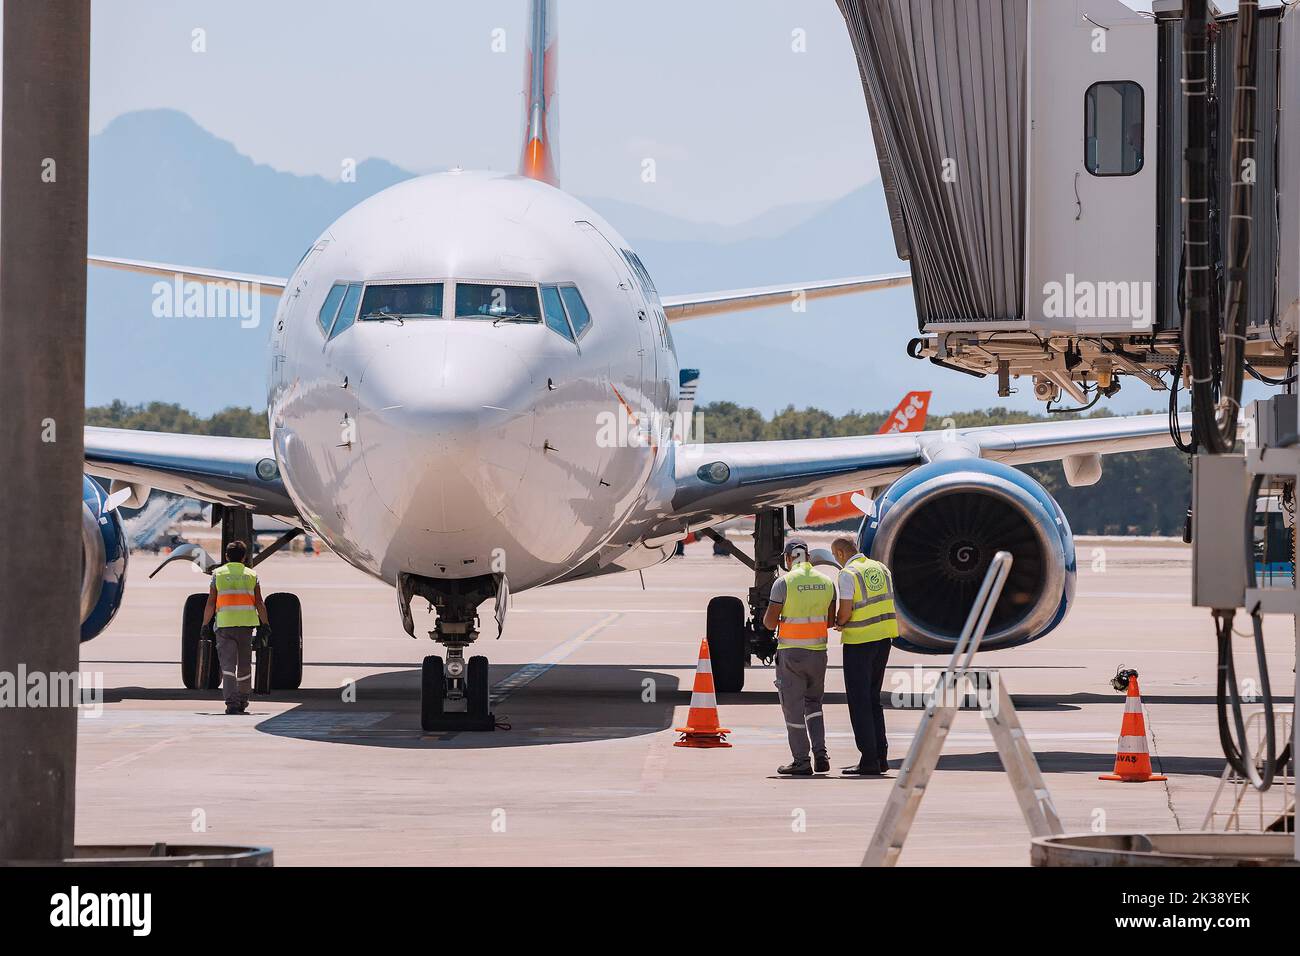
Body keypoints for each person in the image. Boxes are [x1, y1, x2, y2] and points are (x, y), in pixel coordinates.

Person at [762, 539, 836, 776]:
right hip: (818, 654)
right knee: (814, 704)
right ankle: (820, 753)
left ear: (788, 558)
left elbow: (769, 622)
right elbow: (831, 621)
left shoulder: (783, 583)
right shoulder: (826, 582)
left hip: (792, 654)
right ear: (808, 556)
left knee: (793, 710)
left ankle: (801, 760)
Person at [830, 536, 899, 776]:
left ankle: (868, 760)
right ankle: (881, 757)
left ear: (840, 554)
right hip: (884, 639)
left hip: (860, 641)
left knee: (859, 703)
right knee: (873, 700)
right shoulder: (880, 568)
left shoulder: (848, 574)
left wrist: (838, 623)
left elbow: (846, 609)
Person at [202, 540, 269, 715]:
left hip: (224, 626)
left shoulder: (218, 574)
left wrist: (204, 624)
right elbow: (260, 602)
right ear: (245, 557)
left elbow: (211, 602)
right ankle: (243, 699)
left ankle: (231, 702)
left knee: (228, 666)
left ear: (226, 556)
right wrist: (265, 624)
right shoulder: (252, 575)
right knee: (245, 665)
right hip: (246, 626)